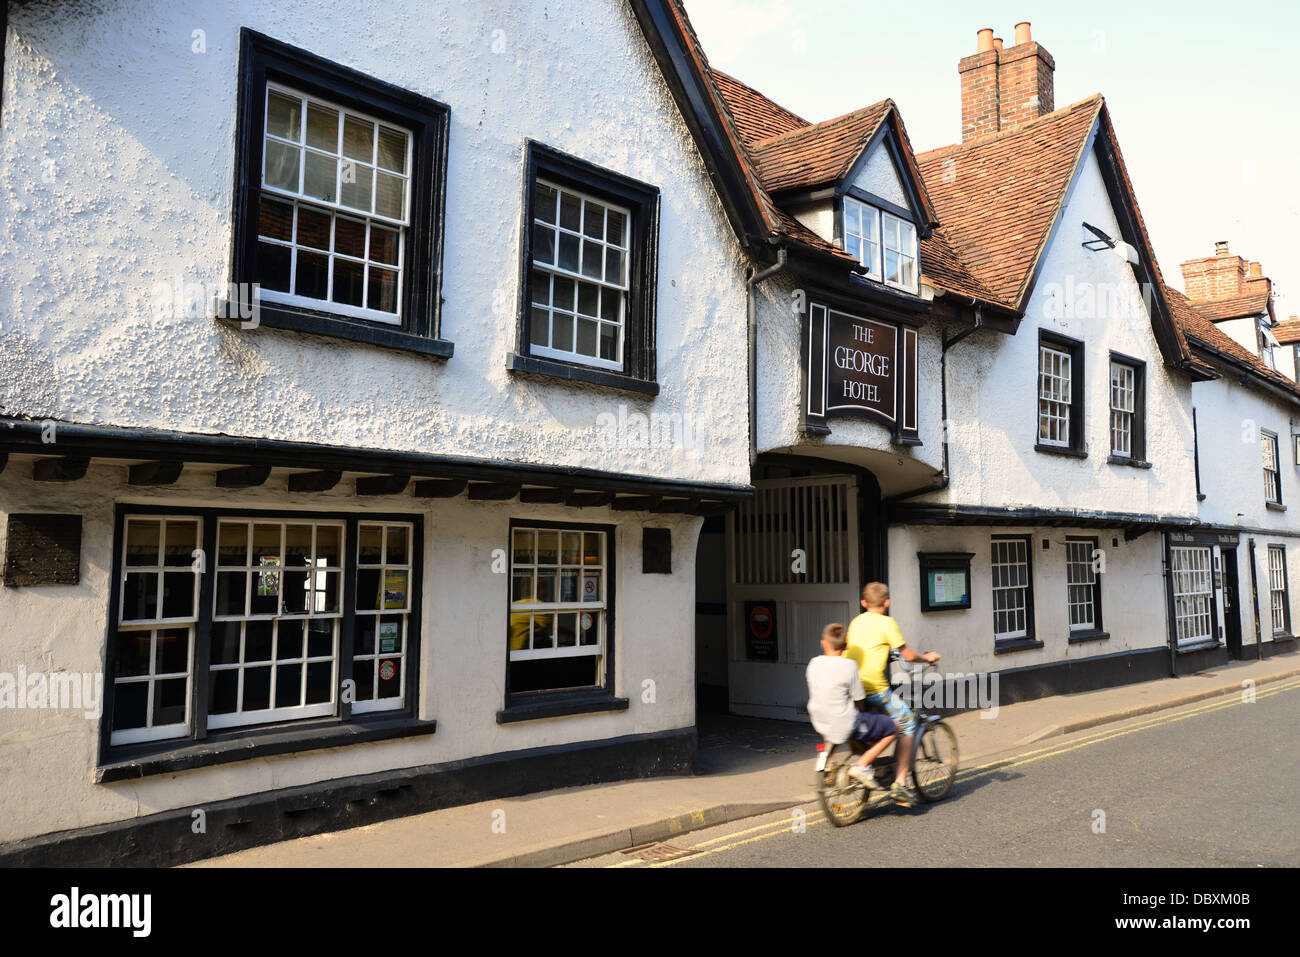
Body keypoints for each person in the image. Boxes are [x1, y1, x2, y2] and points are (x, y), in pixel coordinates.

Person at [844, 581, 940, 808]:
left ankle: (876, 767)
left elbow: (863, 650)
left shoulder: (856, 621)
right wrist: (927, 658)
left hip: (851, 687)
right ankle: (900, 783)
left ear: (863, 603)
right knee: (907, 724)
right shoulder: (888, 623)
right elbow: (906, 654)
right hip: (874, 688)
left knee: (873, 725)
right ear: (887, 602)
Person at [805, 623, 899, 788]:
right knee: (893, 727)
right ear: (846, 647)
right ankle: (862, 765)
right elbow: (859, 699)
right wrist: (862, 712)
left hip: (819, 721)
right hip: (845, 723)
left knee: (833, 716)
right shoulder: (849, 666)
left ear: (822, 643)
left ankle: (830, 761)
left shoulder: (813, 663)